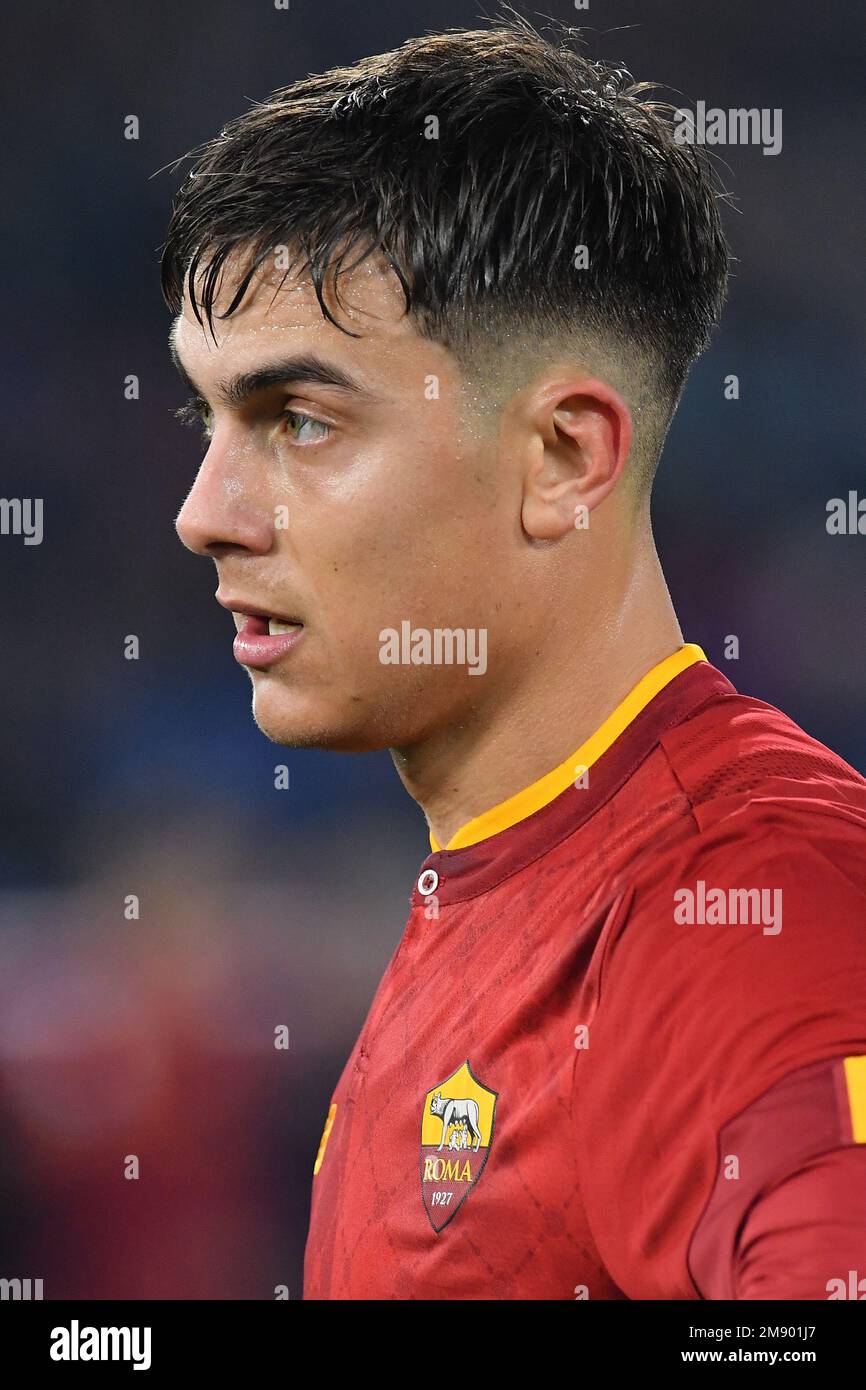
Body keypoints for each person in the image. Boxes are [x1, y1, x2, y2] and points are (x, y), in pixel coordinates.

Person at [161, 17, 866, 1299]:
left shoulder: (750, 911)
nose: (204, 510)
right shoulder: (509, 875)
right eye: (210, 416)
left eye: (299, 421)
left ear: (562, 460)